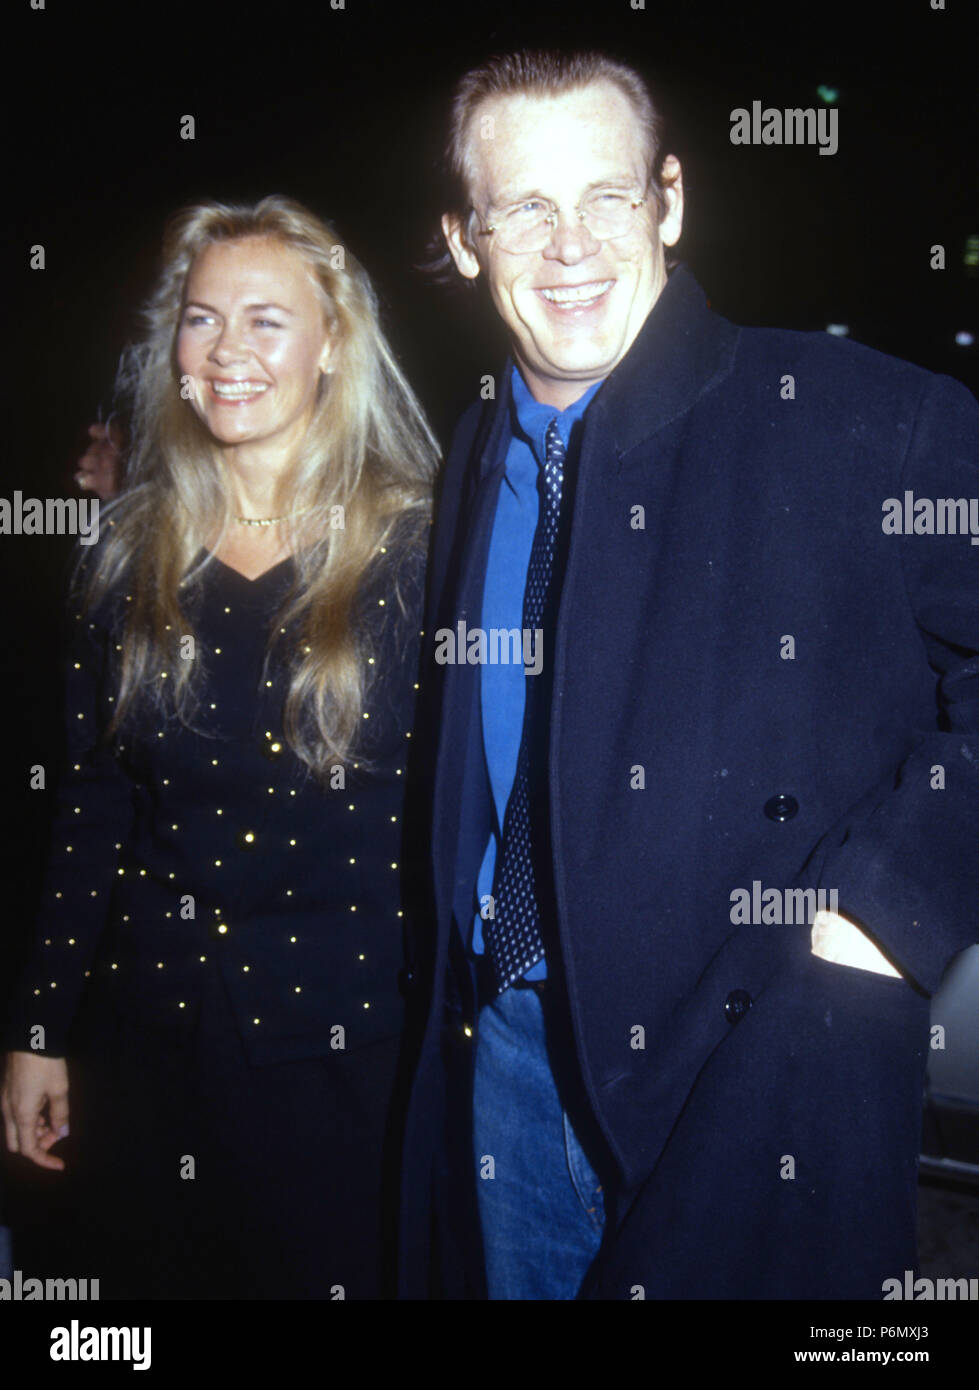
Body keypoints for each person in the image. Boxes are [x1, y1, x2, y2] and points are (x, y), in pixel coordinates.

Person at [396, 49, 979, 1300]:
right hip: (506, 1060)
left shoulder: (864, 417)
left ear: (669, 201)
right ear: (462, 238)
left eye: (605, 196)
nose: (569, 247)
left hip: (757, 1063)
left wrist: (889, 907)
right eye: (524, 209)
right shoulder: (471, 454)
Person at [2, 195, 438, 1299]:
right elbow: (92, 804)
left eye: (266, 320)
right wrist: (39, 1027)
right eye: (201, 319)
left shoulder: (426, 545)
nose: (227, 351)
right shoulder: (122, 550)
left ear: (333, 344)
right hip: (144, 1040)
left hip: (349, 1058)